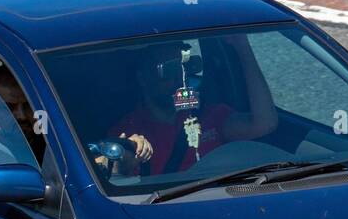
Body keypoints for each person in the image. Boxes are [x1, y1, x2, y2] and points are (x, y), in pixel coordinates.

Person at [101, 34, 278, 177]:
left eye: (186, 67)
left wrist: (242, 47)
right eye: (169, 70)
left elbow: (264, 124)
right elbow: (108, 169)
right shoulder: (129, 131)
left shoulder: (208, 115)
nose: (180, 79)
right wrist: (123, 160)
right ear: (143, 78)